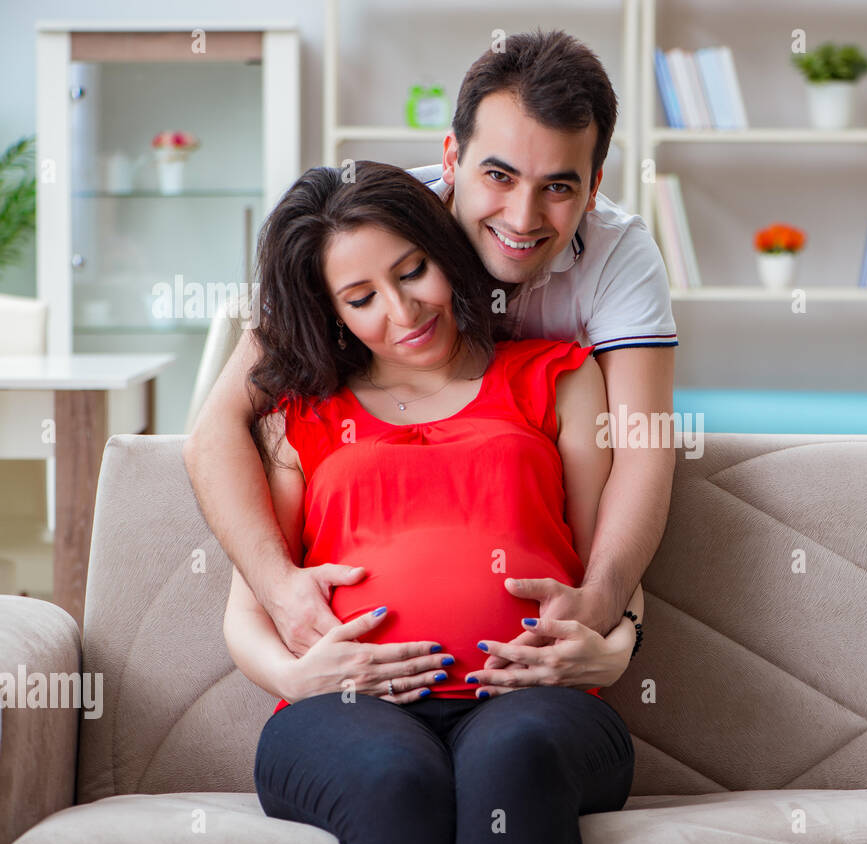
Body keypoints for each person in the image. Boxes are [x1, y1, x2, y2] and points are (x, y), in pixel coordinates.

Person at [185, 29, 676, 694]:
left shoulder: (621, 257)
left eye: (558, 186)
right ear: (451, 158)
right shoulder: (378, 228)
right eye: (498, 175)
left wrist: (607, 606)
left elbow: (643, 446)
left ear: (592, 187)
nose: (523, 217)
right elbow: (214, 427)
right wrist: (279, 591)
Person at [224, 160, 641, 844]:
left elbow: (614, 559)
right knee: (397, 783)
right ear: (332, 311)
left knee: (514, 760)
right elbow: (246, 610)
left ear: (444, 251)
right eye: (361, 298)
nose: (403, 311)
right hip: (345, 712)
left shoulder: (559, 376)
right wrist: (296, 680)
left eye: (413, 270)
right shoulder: (301, 414)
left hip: (535, 705)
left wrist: (618, 647)